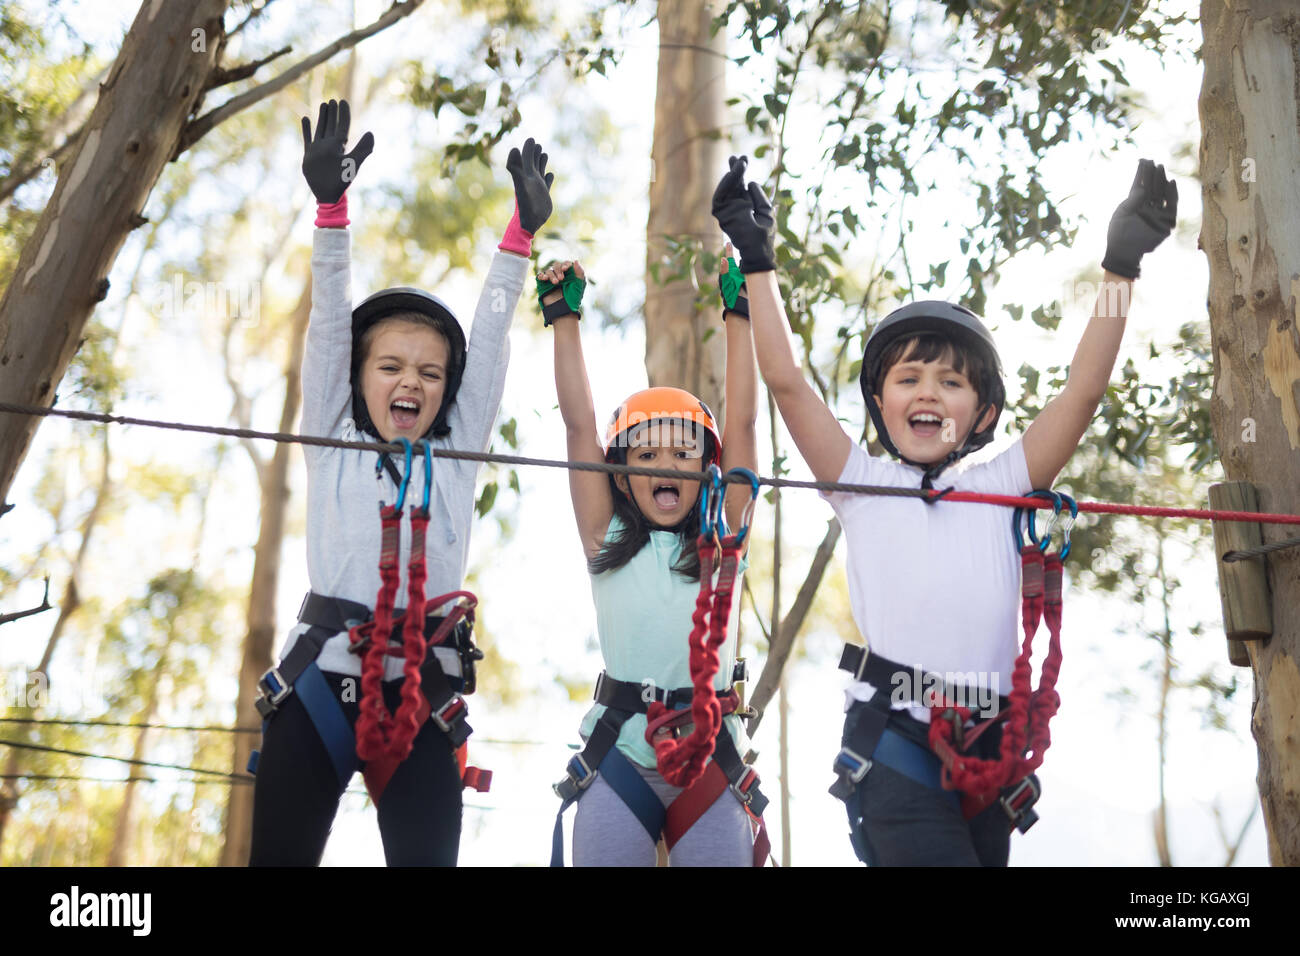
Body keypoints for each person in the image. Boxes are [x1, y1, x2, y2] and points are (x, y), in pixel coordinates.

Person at [712, 154, 1177, 865]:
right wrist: (757, 258)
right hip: (896, 754)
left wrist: (1119, 270)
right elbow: (787, 381)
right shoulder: (860, 485)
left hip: (990, 763)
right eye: (909, 377)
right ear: (880, 402)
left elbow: (1081, 394)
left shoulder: (1004, 484)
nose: (928, 393)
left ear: (982, 410)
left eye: (951, 381)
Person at [247, 99, 554, 866]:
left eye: (428, 372)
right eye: (390, 367)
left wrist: (518, 241)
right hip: (320, 683)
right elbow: (327, 327)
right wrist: (331, 212)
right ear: (360, 381)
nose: (409, 381)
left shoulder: (455, 458)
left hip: (423, 696)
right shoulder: (333, 438)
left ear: (447, 393)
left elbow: (485, 345)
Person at [544, 250, 769, 866]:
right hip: (621, 755)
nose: (666, 465)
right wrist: (564, 319)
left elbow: (744, 425)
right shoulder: (604, 540)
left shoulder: (723, 540)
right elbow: (578, 428)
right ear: (621, 477)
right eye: (645, 456)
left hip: (711, 759)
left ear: (707, 472)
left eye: (682, 455)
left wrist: (739, 312)